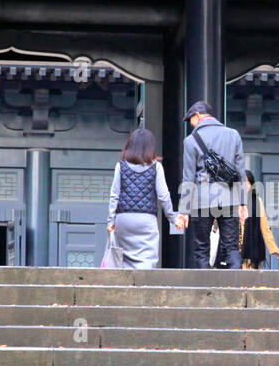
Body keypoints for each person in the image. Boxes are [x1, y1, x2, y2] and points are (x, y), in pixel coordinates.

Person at [175, 100, 248, 269]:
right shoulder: (233, 134)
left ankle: (206, 288)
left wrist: (183, 211)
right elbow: (240, 171)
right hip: (229, 198)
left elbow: (188, 177)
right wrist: (243, 203)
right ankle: (235, 287)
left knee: (201, 248)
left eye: (191, 120)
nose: (191, 125)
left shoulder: (191, 140)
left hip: (202, 200)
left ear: (198, 115)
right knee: (231, 247)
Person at [106, 127, 177, 268]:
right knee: (147, 259)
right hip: (146, 220)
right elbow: (163, 196)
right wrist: (172, 218)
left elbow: (114, 195)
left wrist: (110, 220)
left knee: (123, 260)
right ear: (150, 147)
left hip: (123, 220)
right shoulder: (156, 167)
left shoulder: (120, 166)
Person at [239, 170, 279, 269]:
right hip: (232, 251)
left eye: (247, 182)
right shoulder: (230, 201)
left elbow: (264, 226)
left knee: (249, 282)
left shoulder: (257, 202)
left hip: (250, 251)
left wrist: (273, 248)